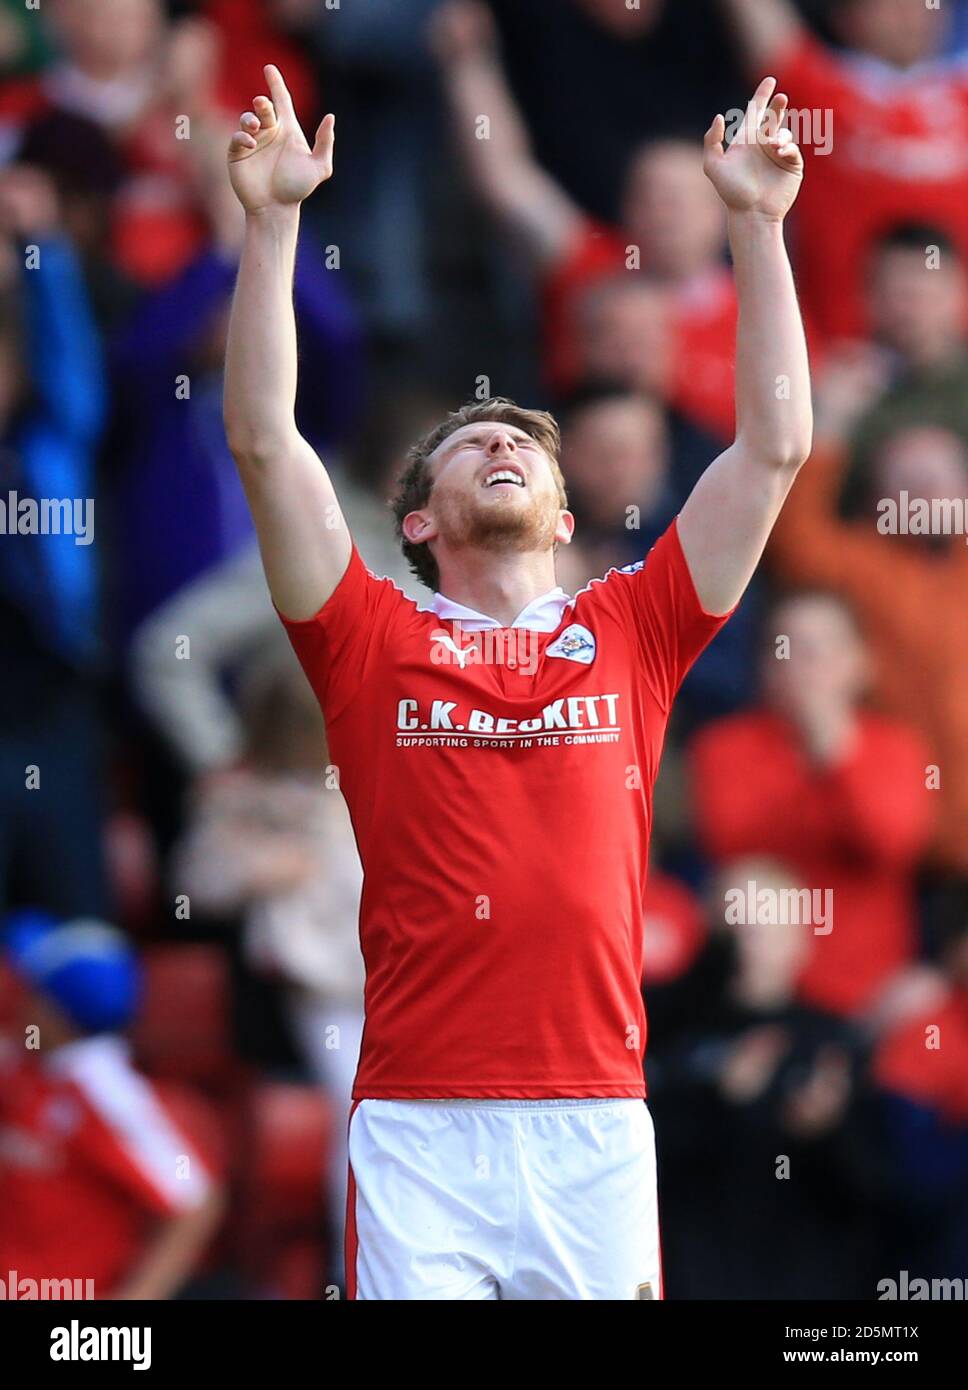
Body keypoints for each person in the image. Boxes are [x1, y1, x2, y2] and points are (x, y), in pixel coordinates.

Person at [222, 64, 812, 1300]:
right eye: (467, 440)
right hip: (419, 1126)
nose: (499, 439)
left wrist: (755, 230)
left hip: (592, 1122)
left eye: (523, 443)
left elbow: (770, 448)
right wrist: (272, 222)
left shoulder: (634, 625)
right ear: (422, 521)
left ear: (557, 512)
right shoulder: (365, 634)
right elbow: (266, 440)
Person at [690, 591, 935, 1018]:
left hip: (868, 992)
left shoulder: (896, 749)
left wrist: (832, 750)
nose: (803, 665)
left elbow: (890, 844)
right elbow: (733, 845)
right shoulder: (724, 747)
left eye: (819, 650)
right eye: (786, 648)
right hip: (758, 989)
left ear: (860, 663)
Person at [0, 912, 224, 1298]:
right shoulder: (27, 1063)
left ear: (53, 1015)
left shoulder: (106, 1093)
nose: (20, 996)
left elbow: (195, 1204)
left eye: (32, 989)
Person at [717, 0, 968, 342]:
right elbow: (768, 33)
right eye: (890, 6)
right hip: (844, 355)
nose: (912, 14)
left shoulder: (962, 94)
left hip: (957, 358)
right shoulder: (819, 92)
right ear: (848, 17)